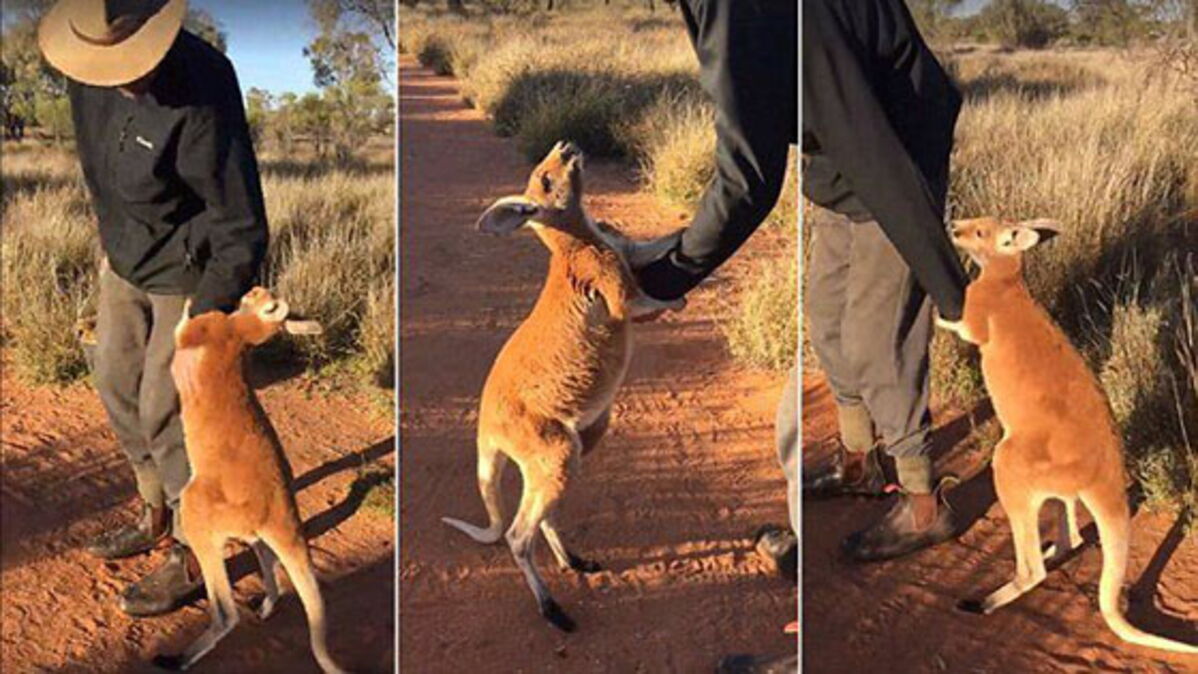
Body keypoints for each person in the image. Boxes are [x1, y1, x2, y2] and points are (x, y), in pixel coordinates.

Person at [38, 0, 268, 616]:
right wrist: (112, 249)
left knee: (164, 407)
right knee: (114, 382)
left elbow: (242, 223)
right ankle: (155, 512)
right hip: (125, 259)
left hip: (190, 271)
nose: (120, 76)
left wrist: (205, 318)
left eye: (130, 61)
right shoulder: (83, 73)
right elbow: (99, 172)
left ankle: (194, 551)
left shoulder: (205, 84)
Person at [628, 1, 797, 671]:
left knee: (800, 411)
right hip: (863, 170)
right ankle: (808, 533)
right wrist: (667, 252)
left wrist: (668, 277)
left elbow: (750, 174)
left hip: (877, 179)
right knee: (832, 363)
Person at [799, 0, 969, 564]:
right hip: (840, 172)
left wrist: (947, 284)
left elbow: (870, 140)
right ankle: (858, 460)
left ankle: (923, 503)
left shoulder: (801, 16)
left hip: (891, 164)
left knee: (878, 342)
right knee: (826, 317)